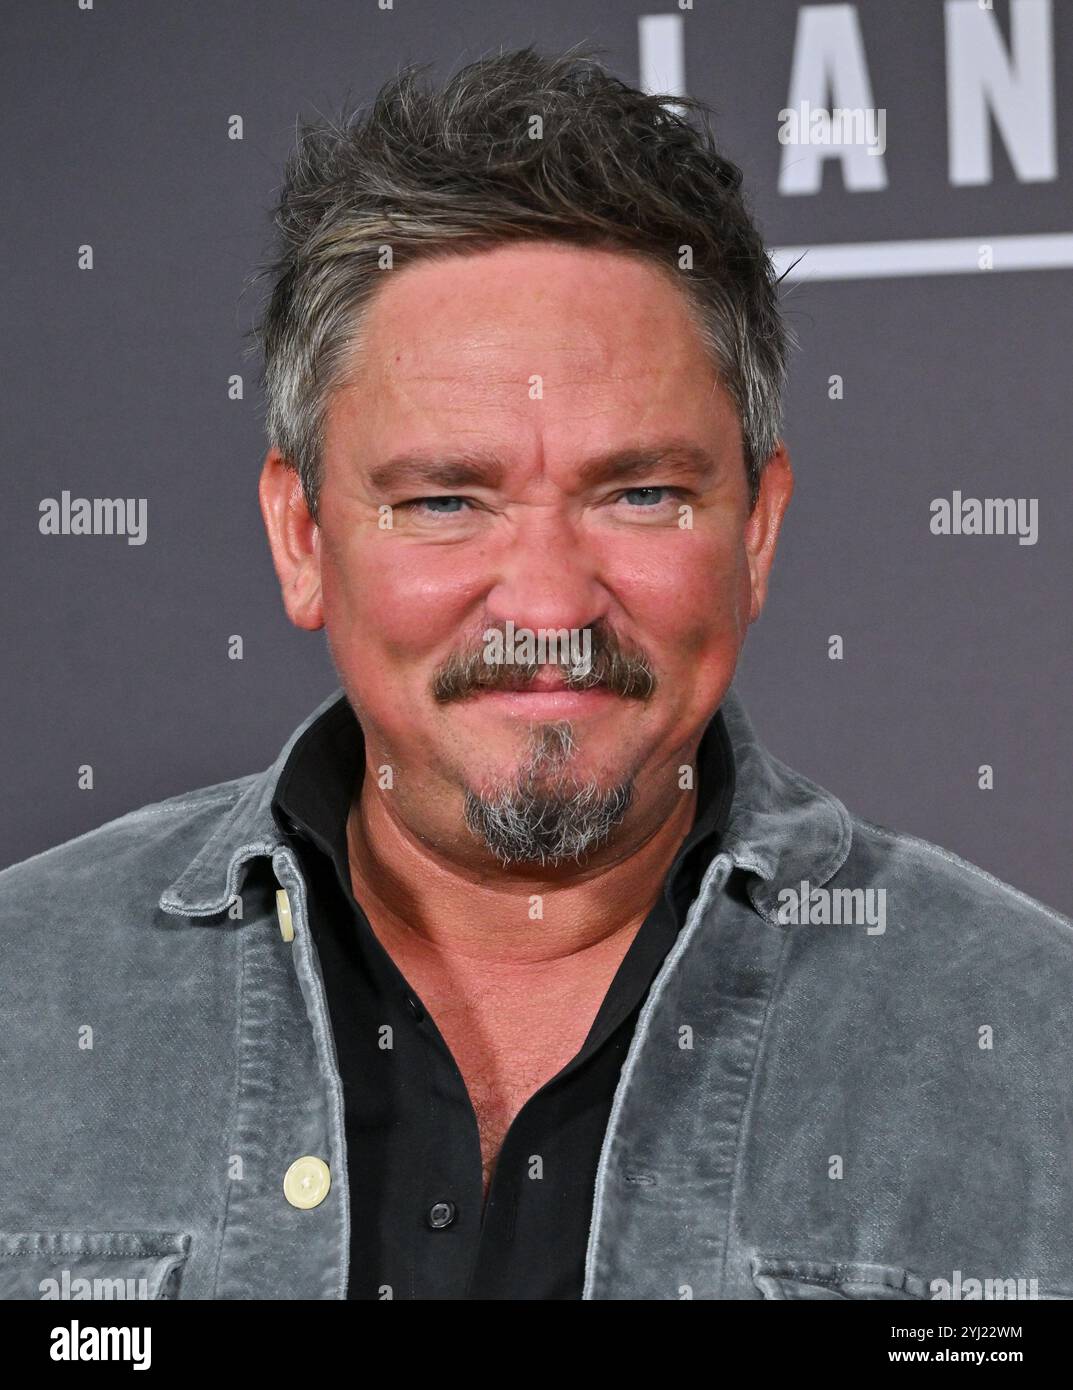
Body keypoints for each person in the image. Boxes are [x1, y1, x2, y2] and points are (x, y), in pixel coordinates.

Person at [2, 46, 1070, 1302]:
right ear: (302, 538)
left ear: (757, 528)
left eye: (640, 493)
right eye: (446, 499)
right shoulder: (25, 997)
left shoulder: (1033, 1046)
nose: (551, 603)